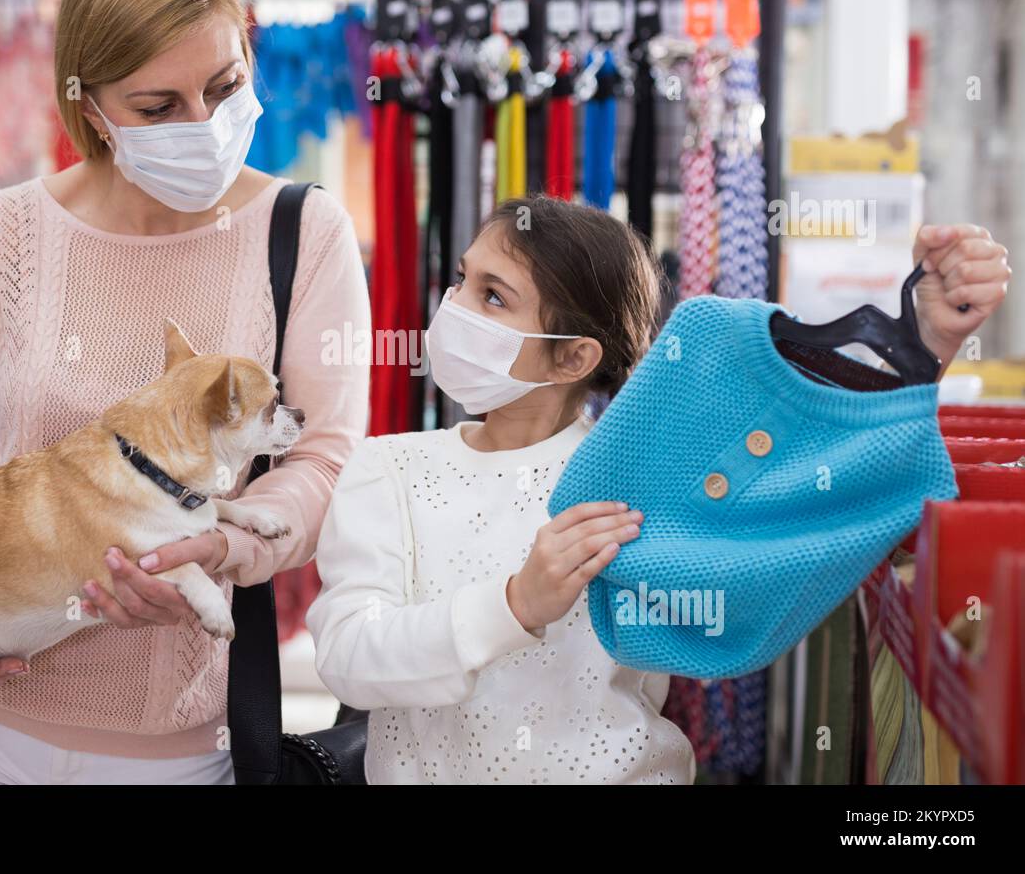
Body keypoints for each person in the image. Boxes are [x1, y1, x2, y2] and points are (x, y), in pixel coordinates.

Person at [0, 0, 369, 784]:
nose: (202, 126)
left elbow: (321, 461)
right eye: (158, 108)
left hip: (173, 746)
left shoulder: (305, 235)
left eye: (224, 85)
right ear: (86, 104)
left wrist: (224, 550)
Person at [306, 197, 1010, 784]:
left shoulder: (641, 475)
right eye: (461, 281)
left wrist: (923, 346)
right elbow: (348, 661)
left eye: (493, 296)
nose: (453, 307)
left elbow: (820, 505)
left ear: (575, 356)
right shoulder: (387, 470)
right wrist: (515, 604)